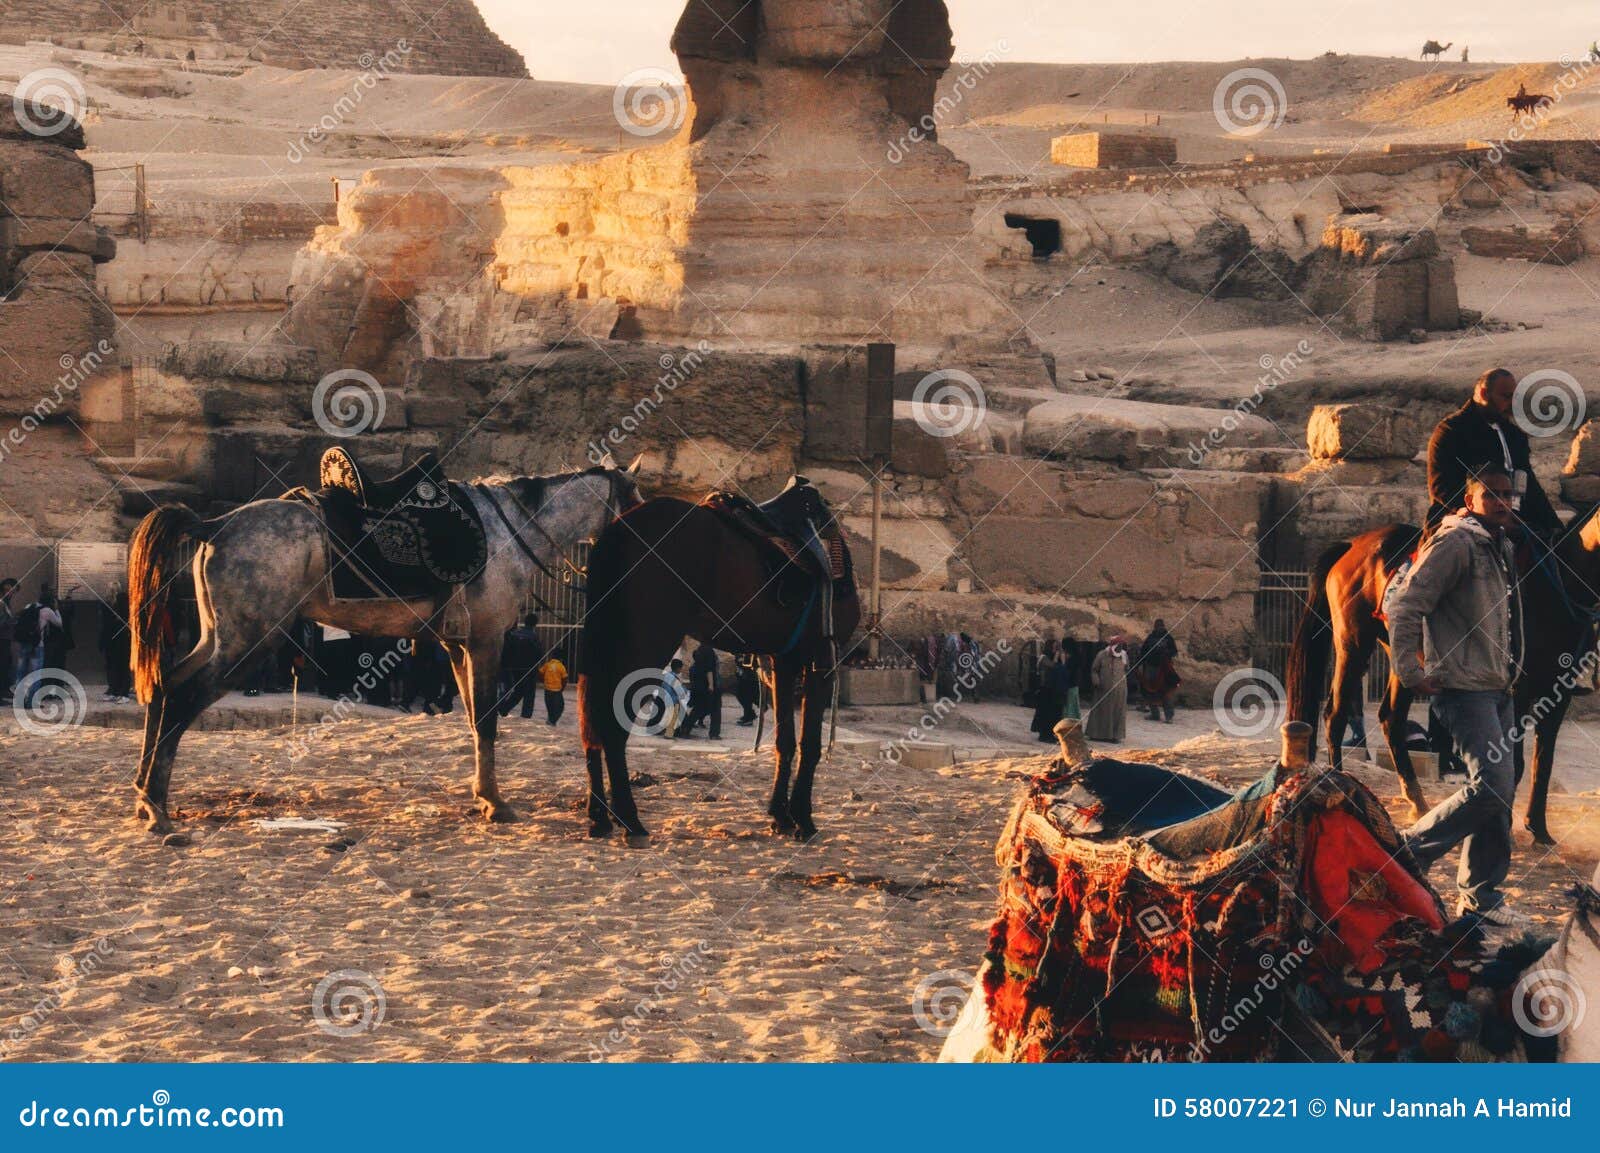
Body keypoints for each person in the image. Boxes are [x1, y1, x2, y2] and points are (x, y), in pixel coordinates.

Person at [1389, 469, 1526, 927]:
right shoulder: (1455, 544)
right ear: (1470, 498)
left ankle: (1481, 899)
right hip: (1464, 688)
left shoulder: (1499, 544)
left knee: (1499, 797)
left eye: (1509, 494)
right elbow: (1406, 604)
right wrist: (1409, 670)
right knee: (1491, 785)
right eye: (1493, 494)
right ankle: (1408, 850)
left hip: (1497, 687)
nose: (1504, 502)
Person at [1426, 368, 1560, 539]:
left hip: (1515, 518)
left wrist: (1552, 524)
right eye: (1505, 397)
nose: (1511, 404)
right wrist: (1484, 516)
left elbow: (1529, 483)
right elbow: (1441, 487)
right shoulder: (1451, 432)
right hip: (1464, 517)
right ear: (1484, 393)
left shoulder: (1514, 435)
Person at [12, 591, 63, 709]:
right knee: (36, 675)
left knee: (21, 673)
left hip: (24, 643)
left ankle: (19, 702)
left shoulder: (29, 606)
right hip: (37, 645)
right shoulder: (47, 611)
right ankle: (31, 702)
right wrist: (56, 609)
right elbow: (59, 624)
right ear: (51, 601)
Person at [497, 613, 543, 719]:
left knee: (518, 691)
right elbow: (539, 653)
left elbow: (507, 650)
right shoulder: (534, 636)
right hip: (529, 669)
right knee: (529, 694)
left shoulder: (515, 634)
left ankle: (504, 708)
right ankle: (526, 715)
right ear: (535, 624)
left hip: (515, 668)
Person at [1136, 620, 1180, 722]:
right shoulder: (1151, 638)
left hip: (1164, 669)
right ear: (1155, 627)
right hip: (1150, 667)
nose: (1160, 628)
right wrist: (1139, 664)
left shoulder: (1168, 638)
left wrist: (1165, 652)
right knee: (1149, 690)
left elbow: (1174, 652)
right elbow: (1143, 652)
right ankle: (1155, 714)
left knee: (1165, 691)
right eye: (1158, 626)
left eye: (1161, 626)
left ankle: (1169, 716)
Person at [1086, 637, 1129, 742]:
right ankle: (1096, 734)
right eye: (1118, 646)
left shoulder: (1124, 656)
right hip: (1103, 690)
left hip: (1119, 690)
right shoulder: (1102, 654)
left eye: (1121, 646)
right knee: (1101, 712)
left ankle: (1115, 736)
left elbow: (1126, 669)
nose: (1120, 648)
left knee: (1117, 713)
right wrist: (1096, 681)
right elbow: (1094, 670)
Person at [677, 644, 722, 739]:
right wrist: (711, 685)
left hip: (699, 687)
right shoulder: (708, 651)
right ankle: (714, 734)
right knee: (715, 710)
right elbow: (709, 670)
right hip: (708, 687)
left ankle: (685, 729)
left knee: (698, 709)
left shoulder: (698, 656)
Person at [99, 583, 133, 703]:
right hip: (116, 639)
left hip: (119, 639)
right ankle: (116, 690)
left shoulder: (121, 602)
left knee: (119, 665)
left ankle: (122, 691)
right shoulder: (109, 603)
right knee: (115, 665)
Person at [1029, 639, 1062, 743]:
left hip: (1051, 689)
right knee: (1045, 713)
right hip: (1044, 690)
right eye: (1054, 647)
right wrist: (1057, 657)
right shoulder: (1044, 658)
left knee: (1052, 713)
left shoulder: (1049, 657)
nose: (1055, 649)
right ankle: (1044, 735)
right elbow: (1053, 667)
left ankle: (1050, 733)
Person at [0, 577, 17, 703]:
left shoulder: (6, 604)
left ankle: (5, 690)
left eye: (12, 591)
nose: (10, 593)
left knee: (6, 666)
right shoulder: (1, 604)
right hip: (2, 639)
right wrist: (11, 621)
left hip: (6, 639)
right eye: (7, 590)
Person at [539, 652, 568, 725]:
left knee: (550, 707)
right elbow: (565, 679)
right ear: (560, 658)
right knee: (560, 707)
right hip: (557, 690)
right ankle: (552, 721)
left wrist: (543, 681)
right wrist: (562, 688)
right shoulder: (561, 666)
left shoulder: (547, 664)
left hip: (547, 689)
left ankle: (550, 720)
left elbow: (540, 672)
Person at [733, 655, 760, 725]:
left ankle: (748, 717)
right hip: (744, 677)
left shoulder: (748, 652)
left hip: (749, 678)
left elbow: (748, 663)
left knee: (745, 698)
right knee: (743, 697)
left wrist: (740, 661)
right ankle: (750, 715)